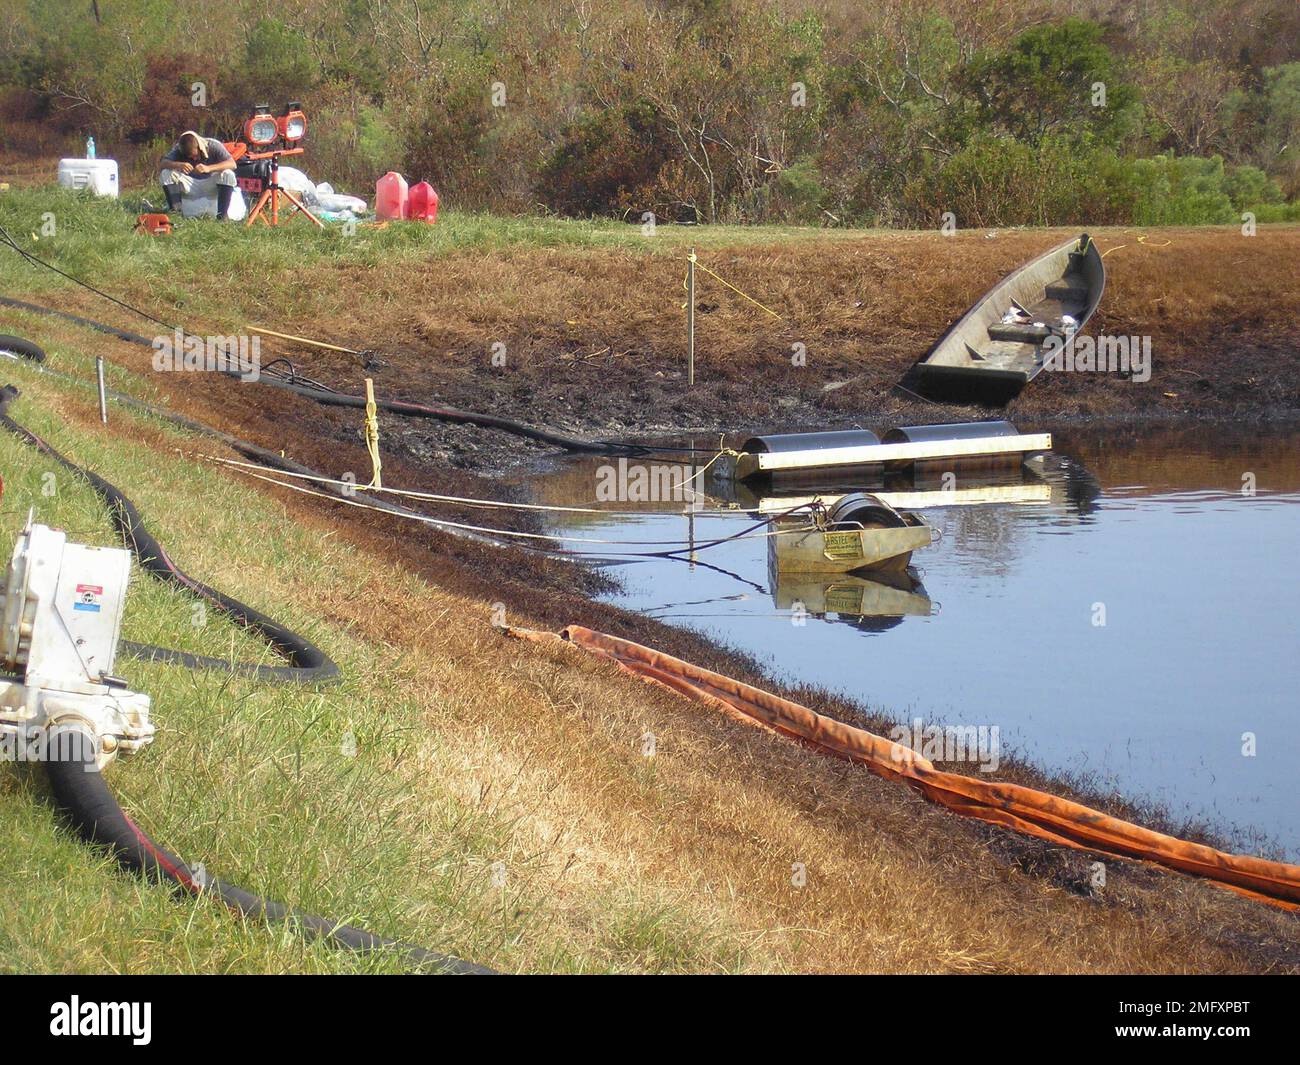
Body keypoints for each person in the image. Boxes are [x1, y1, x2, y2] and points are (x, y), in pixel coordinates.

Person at [158, 131, 237, 219]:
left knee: (228, 174)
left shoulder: (213, 145)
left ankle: (222, 216)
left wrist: (209, 168)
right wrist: (178, 165)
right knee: (166, 173)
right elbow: (163, 163)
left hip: (210, 183)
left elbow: (232, 164)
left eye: (195, 155)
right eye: (189, 158)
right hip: (190, 184)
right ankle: (176, 213)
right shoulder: (178, 148)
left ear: (199, 147)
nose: (194, 159)